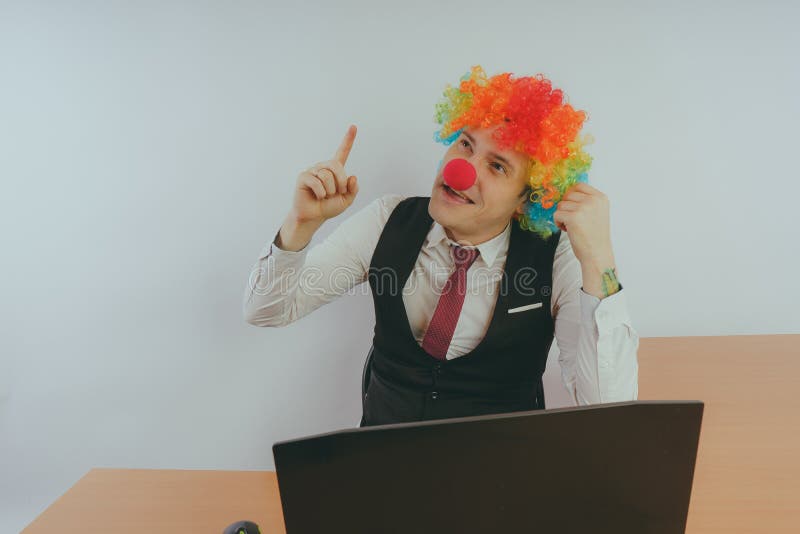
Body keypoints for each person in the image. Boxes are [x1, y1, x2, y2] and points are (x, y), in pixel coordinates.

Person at [243, 65, 639, 427]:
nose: (461, 171)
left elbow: (608, 407)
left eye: (497, 166)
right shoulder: (388, 220)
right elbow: (266, 311)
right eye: (466, 145)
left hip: (499, 476)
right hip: (382, 462)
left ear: (526, 199)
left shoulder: (556, 257)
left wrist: (599, 259)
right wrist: (300, 225)